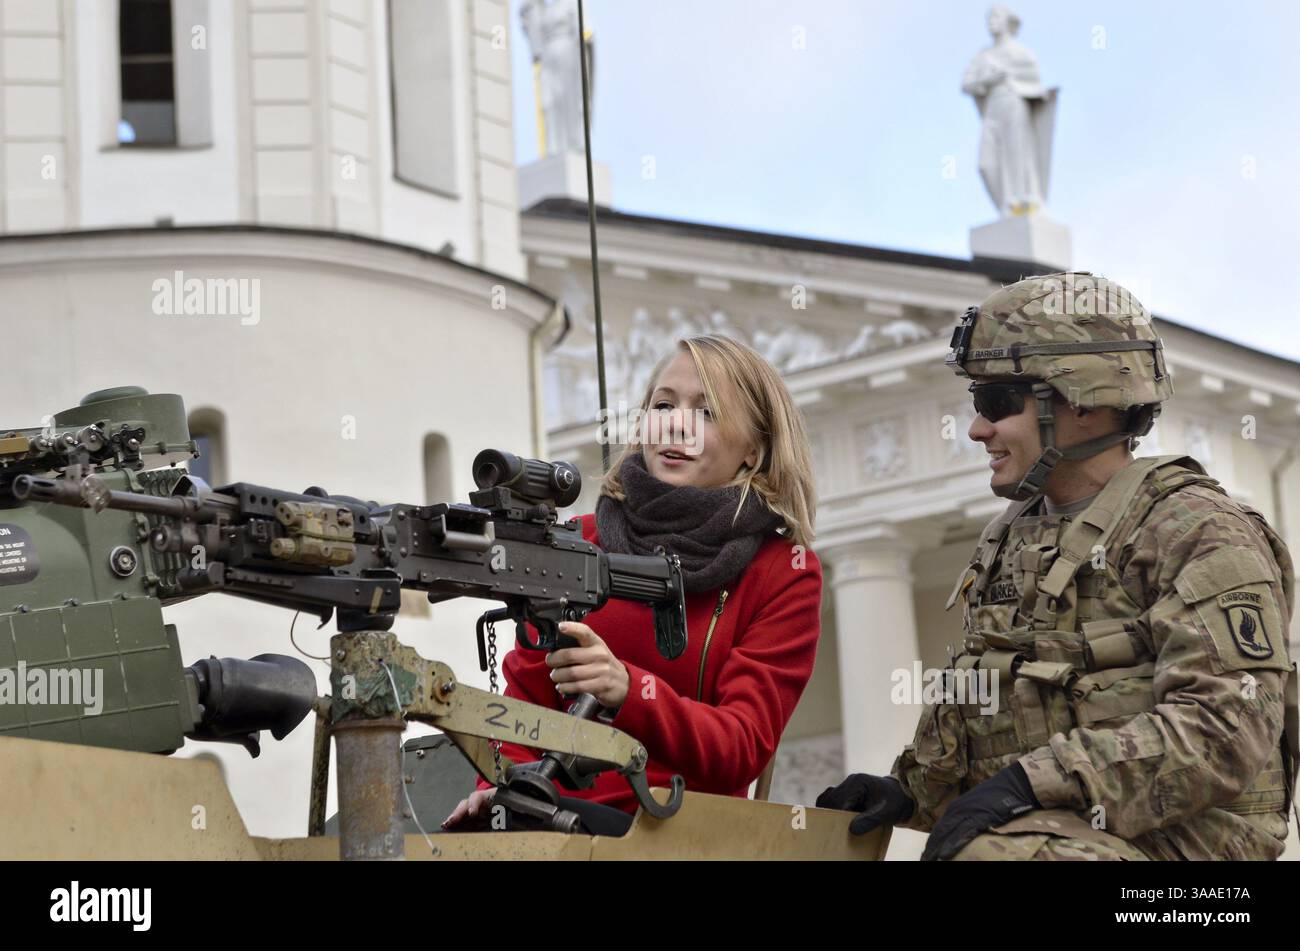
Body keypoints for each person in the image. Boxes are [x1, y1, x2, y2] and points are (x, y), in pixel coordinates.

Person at [818, 272, 1297, 860]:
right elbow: (1008, 718)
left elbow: (1225, 727)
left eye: (997, 402)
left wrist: (1031, 784)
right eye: (976, 402)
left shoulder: (1198, 529)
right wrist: (907, 795)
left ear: (1085, 405)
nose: (977, 429)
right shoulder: (1010, 539)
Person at [445, 334, 821, 833]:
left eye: (706, 413)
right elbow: (522, 695)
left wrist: (632, 690)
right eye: (663, 405)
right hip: (542, 815)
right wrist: (498, 783)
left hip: (677, 830)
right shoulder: (576, 539)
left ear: (752, 451)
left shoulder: (783, 571)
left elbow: (742, 744)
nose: (677, 425)